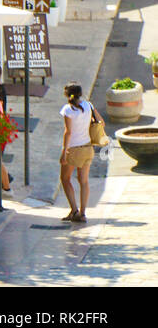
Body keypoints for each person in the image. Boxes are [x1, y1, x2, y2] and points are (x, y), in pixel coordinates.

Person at [59, 83, 100, 224]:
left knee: (65, 179)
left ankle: (74, 210)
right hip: (88, 147)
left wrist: (64, 152)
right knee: (84, 181)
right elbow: (101, 123)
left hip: (74, 149)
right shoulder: (89, 105)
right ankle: (82, 213)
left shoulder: (68, 110)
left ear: (67, 94)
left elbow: (68, 132)